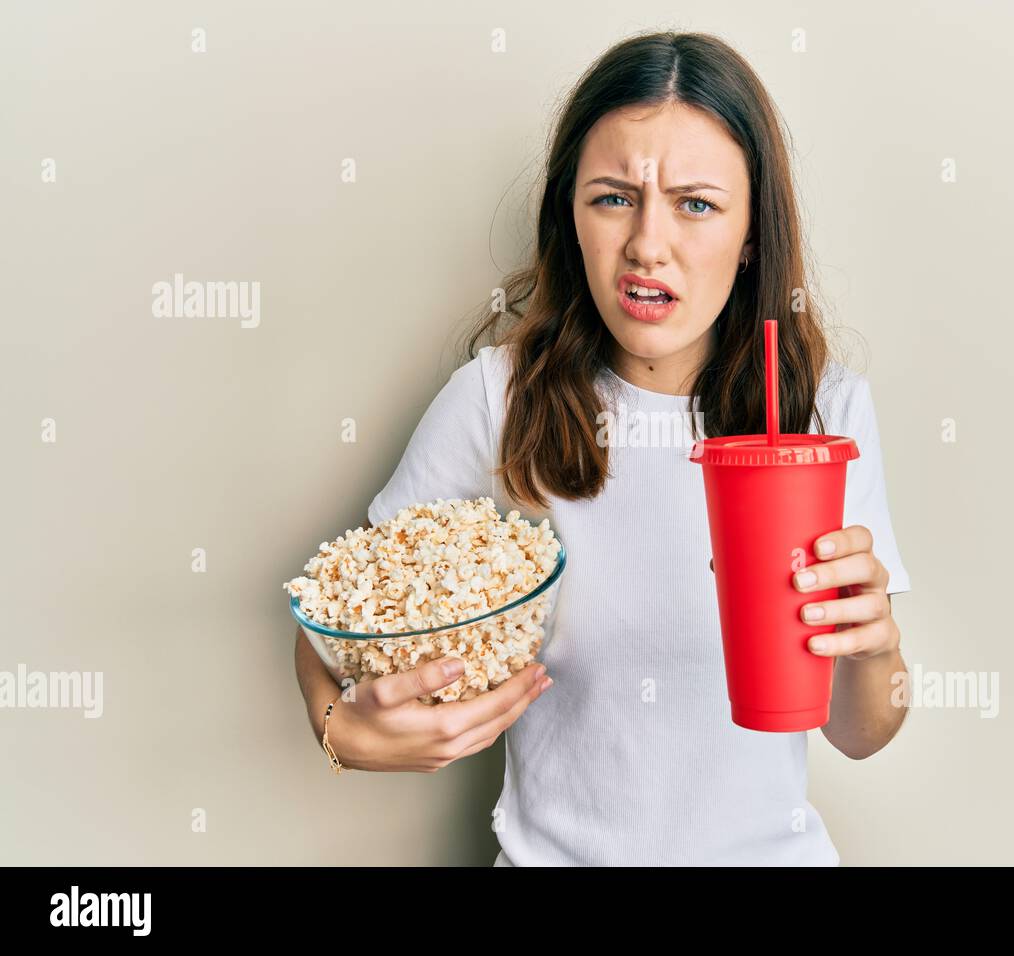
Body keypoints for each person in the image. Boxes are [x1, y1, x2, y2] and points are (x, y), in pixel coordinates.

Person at [294, 30, 912, 866]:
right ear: (569, 216)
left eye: (697, 204)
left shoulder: (821, 412)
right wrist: (343, 732)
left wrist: (875, 647)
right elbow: (334, 618)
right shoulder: (496, 401)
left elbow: (860, 733)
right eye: (613, 197)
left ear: (753, 234)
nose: (647, 245)